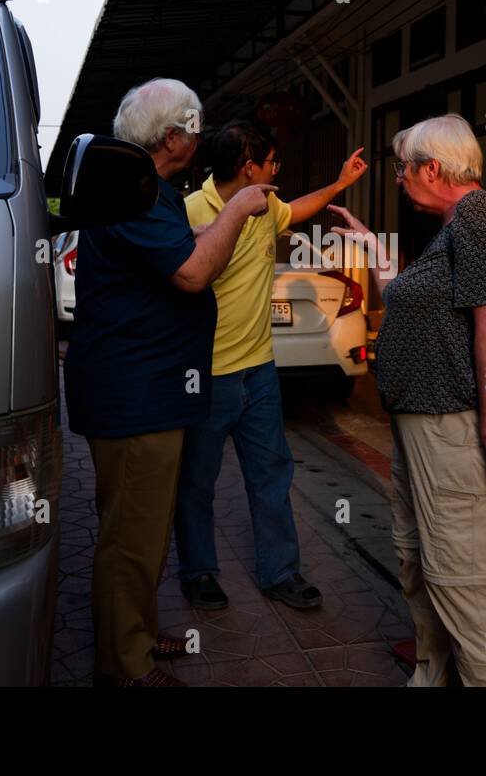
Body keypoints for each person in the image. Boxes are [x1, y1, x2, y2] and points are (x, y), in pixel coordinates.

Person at [63, 79, 274, 688]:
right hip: (134, 397)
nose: (202, 138)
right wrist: (237, 207)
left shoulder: (142, 189)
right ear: (174, 136)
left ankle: (135, 632)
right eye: (196, 128)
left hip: (148, 392)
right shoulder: (132, 192)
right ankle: (123, 667)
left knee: (144, 530)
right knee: (131, 538)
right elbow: (191, 272)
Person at [328, 113, 486, 687]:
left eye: (402, 169)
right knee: (420, 563)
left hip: (452, 428)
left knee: (463, 585)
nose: (398, 179)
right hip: (422, 428)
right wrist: (371, 245)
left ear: (432, 169)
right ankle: (432, 676)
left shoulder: (481, 216)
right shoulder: (454, 226)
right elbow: (415, 299)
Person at [175, 120, 368, 611]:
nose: (277, 170)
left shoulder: (265, 205)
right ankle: (199, 572)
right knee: (197, 481)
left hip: (259, 371)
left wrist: (340, 184)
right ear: (248, 167)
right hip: (208, 376)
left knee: (271, 475)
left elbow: (294, 211)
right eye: (272, 162)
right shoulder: (189, 210)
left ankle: (280, 572)